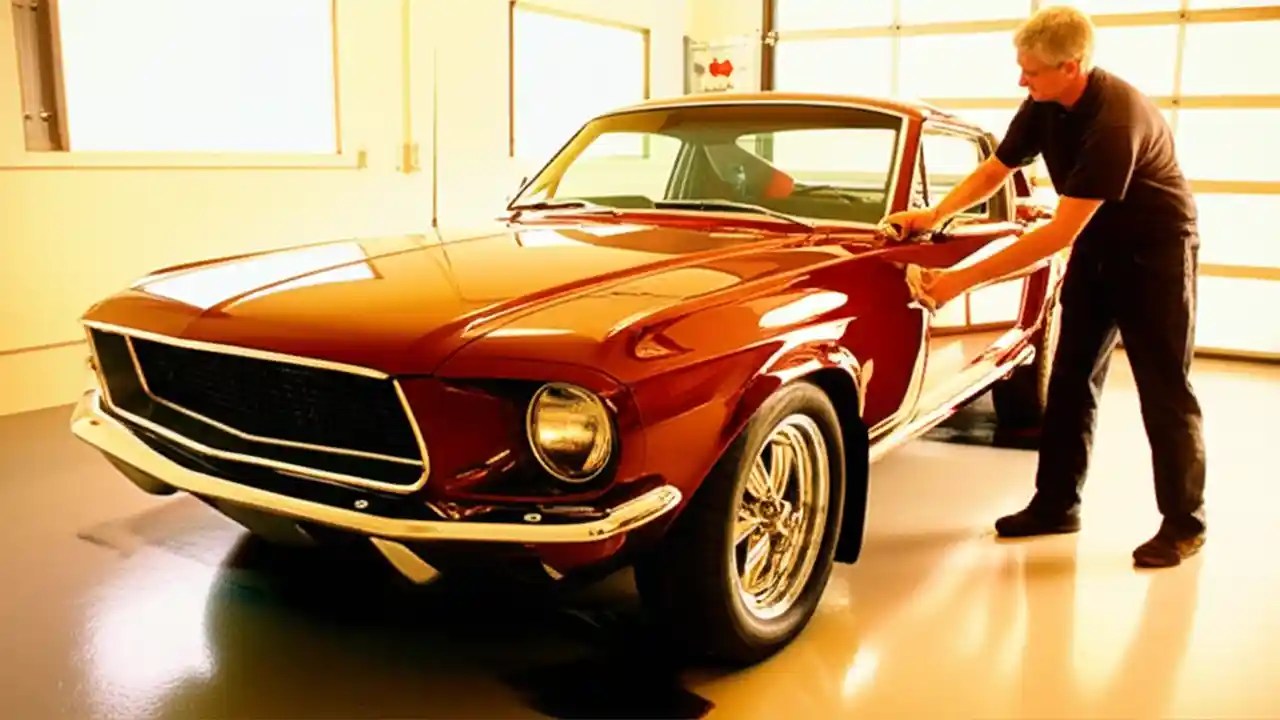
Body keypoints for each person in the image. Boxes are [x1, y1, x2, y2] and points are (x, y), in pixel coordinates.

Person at [882, 5, 1206, 568]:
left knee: (1164, 388)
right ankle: (1057, 505)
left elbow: (1058, 233)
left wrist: (957, 280)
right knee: (1071, 378)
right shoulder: (1042, 103)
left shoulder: (1115, 121)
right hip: (1098, 247)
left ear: (1072, 67)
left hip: (1156, 254)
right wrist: (935, 214)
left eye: (1031, 70)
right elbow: (998, 167)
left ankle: (1185, 523)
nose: (1021, 80)